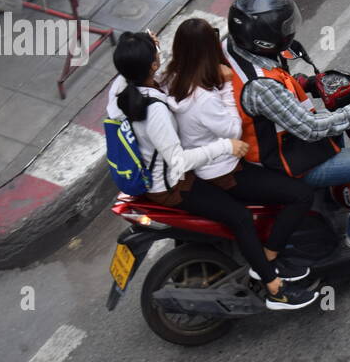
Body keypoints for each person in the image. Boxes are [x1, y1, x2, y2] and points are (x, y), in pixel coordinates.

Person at [105, 30, 317, 310]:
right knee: (239, 217)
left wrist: (149, 44)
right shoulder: (156, 110)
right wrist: (226, 147)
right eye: (157, 54)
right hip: (173, 187)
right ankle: (274, 287)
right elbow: (178, 161)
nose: (161, 55)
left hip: (166, 177)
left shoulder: (121, 89)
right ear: (152, 66)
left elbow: (136, 68)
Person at [221, 0, 350, 258]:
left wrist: (304, 83)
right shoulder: (259, 86)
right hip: (280, 162)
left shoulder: (233, 46)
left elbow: (279, 94)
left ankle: (335, 199)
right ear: (265, 39)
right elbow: (311, 129)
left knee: (335, 128)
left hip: (264, 144)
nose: (290, 30)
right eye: (284, 26)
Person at [163, 17, 315, 283]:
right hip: (225, 171)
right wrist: (227, 85)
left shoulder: (171, 79)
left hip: (201, 166)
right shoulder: (205, 98)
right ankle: (270, 256)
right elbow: (233, 130)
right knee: (301, 195)